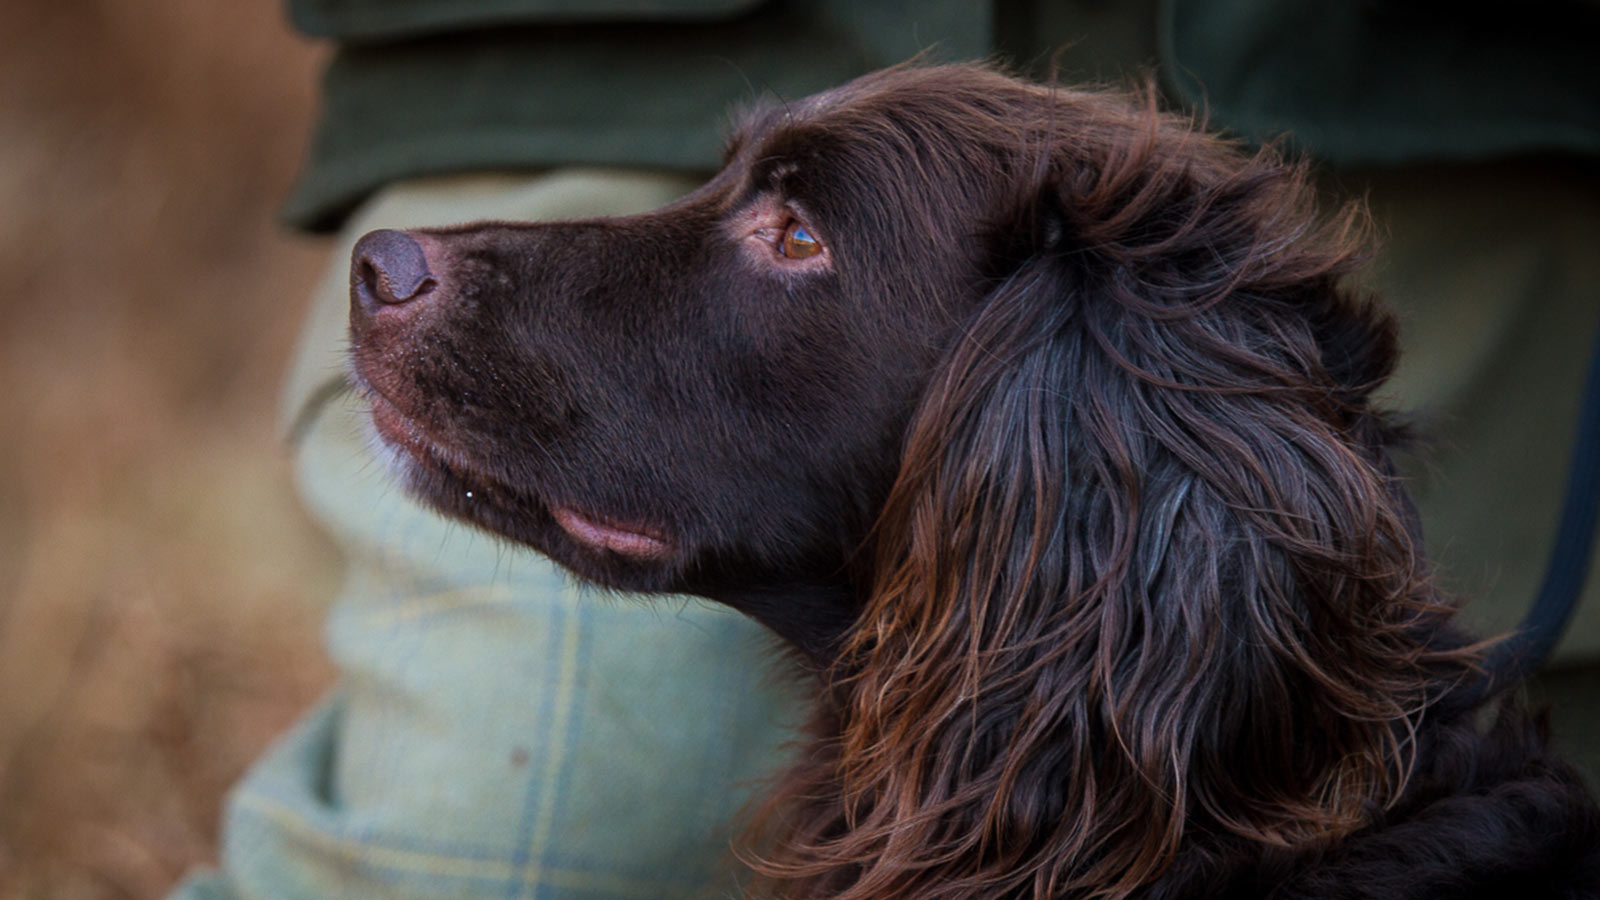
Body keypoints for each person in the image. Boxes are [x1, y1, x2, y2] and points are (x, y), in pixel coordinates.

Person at [174, 2, 1599, 897]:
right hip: (644, 37)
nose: (423, 276)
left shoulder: (1093, 404)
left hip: (1423, 84)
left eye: (785, 234)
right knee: (503, 854)